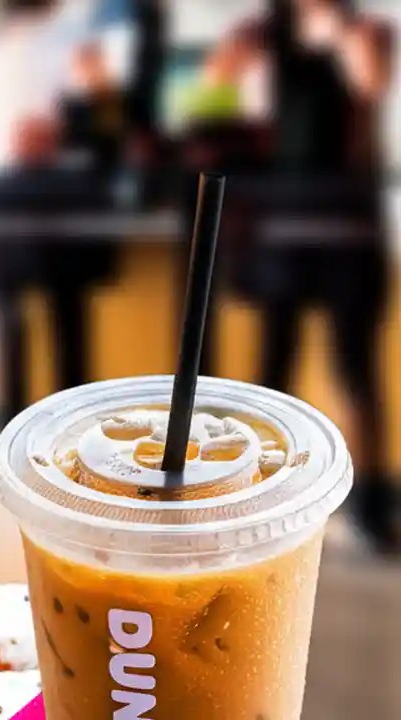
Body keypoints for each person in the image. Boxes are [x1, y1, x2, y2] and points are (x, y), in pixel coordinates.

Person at [232, 0, 396, 552]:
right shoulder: (264, 35)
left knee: (354, 367)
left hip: (348, 220)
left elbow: (370, 84)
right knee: (272, 368)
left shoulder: (365, 30)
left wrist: (340, 28)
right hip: (280, 218)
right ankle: (256, 496)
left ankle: (370, 507)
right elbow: (221, 99)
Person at [0, 0, 124, 425]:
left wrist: (6, 143)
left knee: (16, 329)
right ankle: (69, 440)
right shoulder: (75, 46)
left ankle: (12, 440)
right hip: (57, 193)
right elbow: (111, 121)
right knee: (67, 327)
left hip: (8, 194)